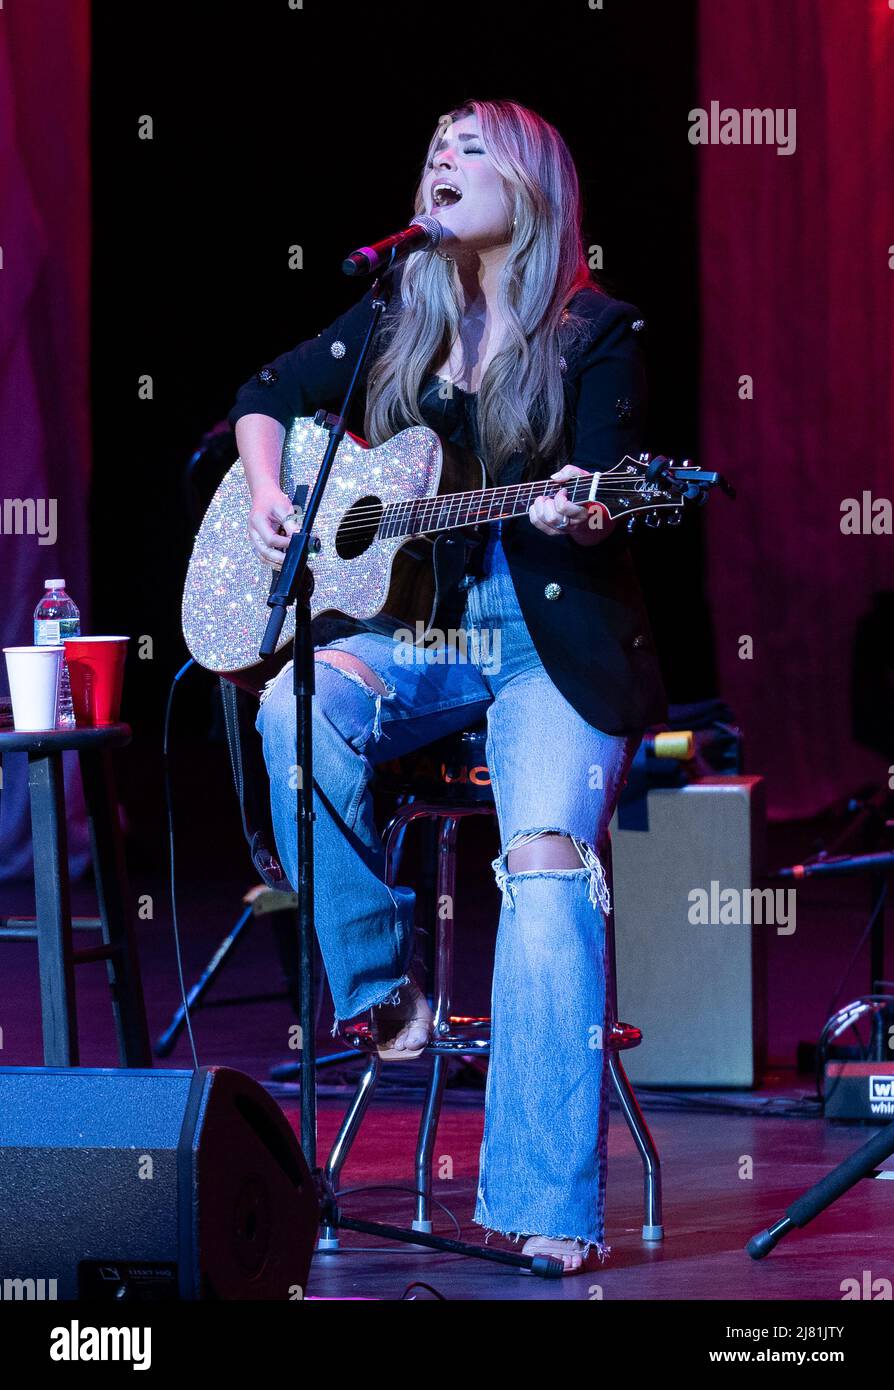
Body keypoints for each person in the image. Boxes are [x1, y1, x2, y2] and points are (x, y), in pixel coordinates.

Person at [228, 99, 667, 1273]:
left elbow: (608, 488)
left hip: (548, 637)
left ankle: (546, 1204)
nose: (442, 162)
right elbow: (264, 394)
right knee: (289, 703)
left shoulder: (595, 330)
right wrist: (273, 496)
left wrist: (580, 507)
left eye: (470, 149)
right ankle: (383, 994)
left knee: (544, 866)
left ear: (529, 186)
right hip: (422, 631)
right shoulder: (399, 309)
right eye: (432, 148)